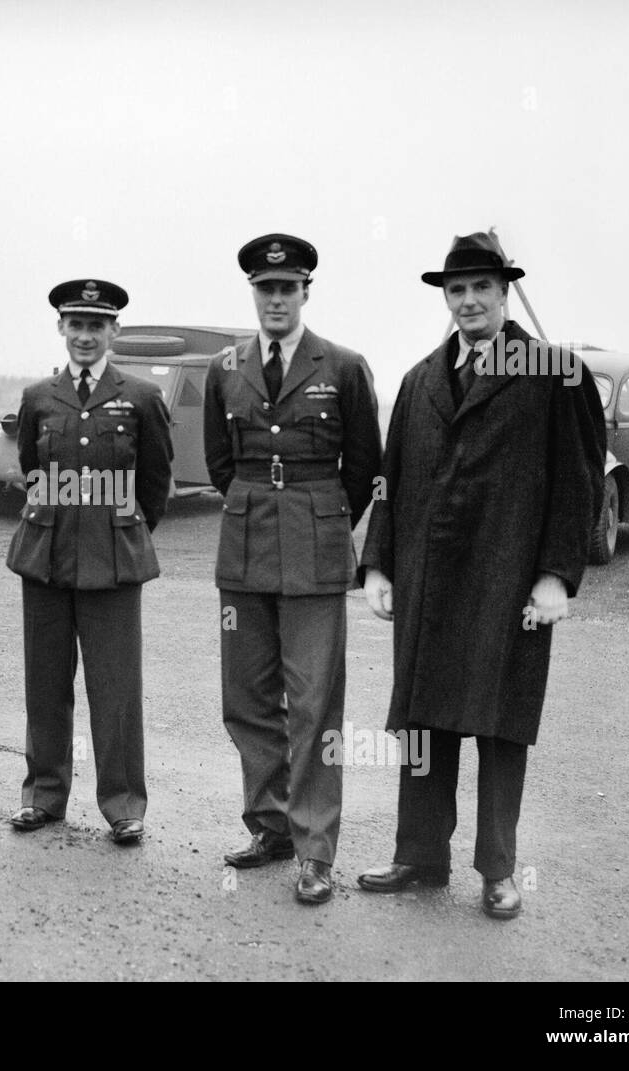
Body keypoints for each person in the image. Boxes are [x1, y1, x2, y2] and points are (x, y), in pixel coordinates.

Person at [357, 232, 605, 919]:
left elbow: (579, 482)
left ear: (505, 293)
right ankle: (420, 855)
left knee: (501, 723)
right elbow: (391, 479)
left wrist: (556, 576)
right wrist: (379, 563)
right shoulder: (419, 379)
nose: (468, 300)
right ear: (446, 297)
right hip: (430, 582)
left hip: (510, 582)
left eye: (481, 288)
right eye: (456, 289)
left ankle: (498, 868)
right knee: (423, 720)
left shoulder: (556, 372)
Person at [203, 234, 381, 903]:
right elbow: (221, 462)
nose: (276, 299)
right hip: (245, 545)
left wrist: (323, 515)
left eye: (287, 288)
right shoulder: (226, 367)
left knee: (313, 704)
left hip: (315, 546)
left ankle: (314, 849)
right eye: (265, 289)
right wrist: (258, 502)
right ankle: (271, 822)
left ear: (306, 291)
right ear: (253, 293)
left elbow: (365, 465)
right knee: (245, 696)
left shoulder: (343, 364)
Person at [5, 279, 173, 844]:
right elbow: (34, 466)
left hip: (114, 558)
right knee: (45, 682)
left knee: (116, 688)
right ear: (60, 329)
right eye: (75, 325)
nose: (84, 336)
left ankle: (124, 806)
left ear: (113, 332)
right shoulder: (38, 397)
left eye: (95, 326)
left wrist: (122, 531)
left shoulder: (143, 397)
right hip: (46, 554)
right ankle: (43, 797)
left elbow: (155, 484)